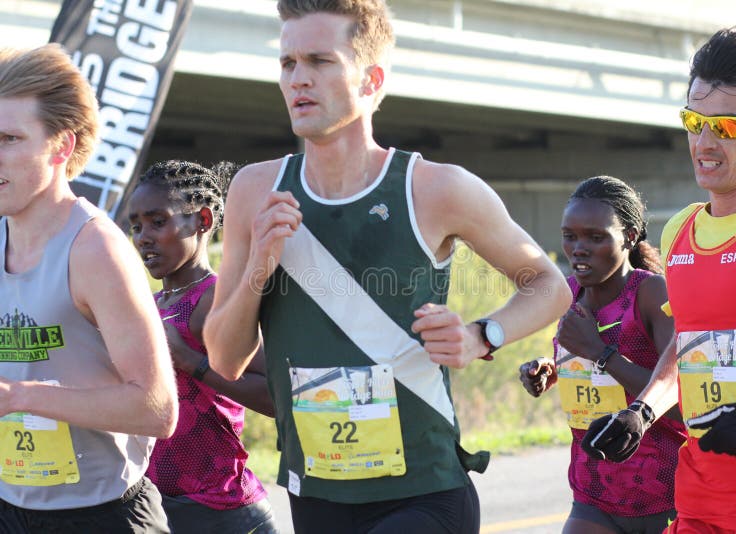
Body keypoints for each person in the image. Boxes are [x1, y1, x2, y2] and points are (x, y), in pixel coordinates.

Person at [202, 1, 572, 532]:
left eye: (320, 61)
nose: (298, 80)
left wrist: (481, 335)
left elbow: (549, 285)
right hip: (317, 491)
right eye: (287, 64)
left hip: (422, 492)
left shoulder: (437, 188)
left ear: (372, 79)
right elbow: (225, 357)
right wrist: (260, 262)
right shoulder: (255, 191)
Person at [580, 27, 736, 533]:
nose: (703, 143)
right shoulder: (681, 229)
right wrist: (643, 411)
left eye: (724, 126)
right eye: (694, 121)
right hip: (702, 499)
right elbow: (692, 340)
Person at [0, 44, 178, 532]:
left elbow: (158, 409)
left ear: (60, 147)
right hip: (11, 506)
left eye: (9, 138)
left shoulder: (95, 249)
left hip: (102, 514)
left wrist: (20, 396)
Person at [519, 176, 685, 534]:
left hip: (666, 493)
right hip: (594, 492)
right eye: (570, 236)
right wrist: (550, 371)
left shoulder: (652, 294)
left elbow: (682, 402)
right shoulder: (569, 293)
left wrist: (599, 352)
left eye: (595, 237)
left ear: (629, 236)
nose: (579, 248)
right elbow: (583, 365)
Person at [126, 160, 280, 533]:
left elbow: (276, 397)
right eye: (136, 226)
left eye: (158, 221)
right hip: (158, 503)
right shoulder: (149, 303)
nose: (144, 236)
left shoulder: (214, 299)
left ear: (203, 221)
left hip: (222, 511)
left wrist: (191, 360)